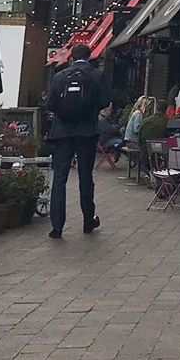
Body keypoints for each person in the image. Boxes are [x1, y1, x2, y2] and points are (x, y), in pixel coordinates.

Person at [43, 54, 109, 240]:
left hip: (63, 132)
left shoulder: (59, 76)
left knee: (59, 178)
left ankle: (57, 226)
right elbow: (105, 101)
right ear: (89, 57)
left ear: (72, 57)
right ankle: (88, 220)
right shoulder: (96, 75)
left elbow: (49, 104)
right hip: (87, 132)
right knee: (85, 177)